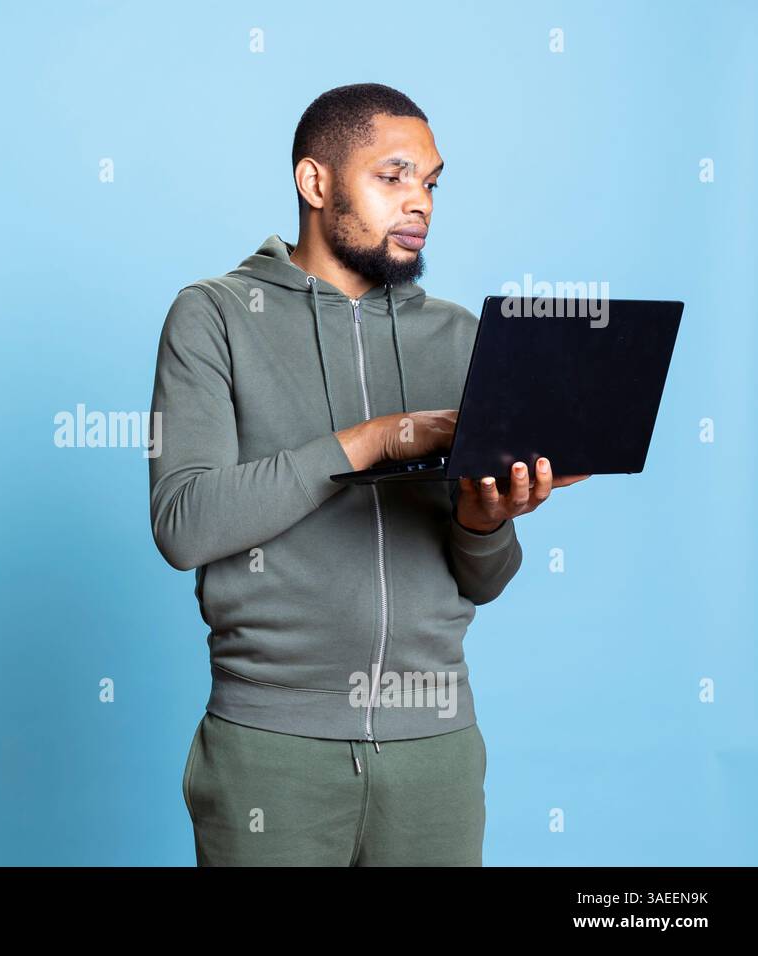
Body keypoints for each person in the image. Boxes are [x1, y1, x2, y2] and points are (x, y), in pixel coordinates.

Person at [148, 83, 589, 866]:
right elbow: (186, 524)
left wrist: (485, 521)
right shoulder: (212, 315)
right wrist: (373, 440)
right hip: (272, 751)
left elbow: (482, 579)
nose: (418, 202)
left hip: (436, 753)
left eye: (430, 181)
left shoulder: (459, 336)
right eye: (392, 177)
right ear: (316, 184)